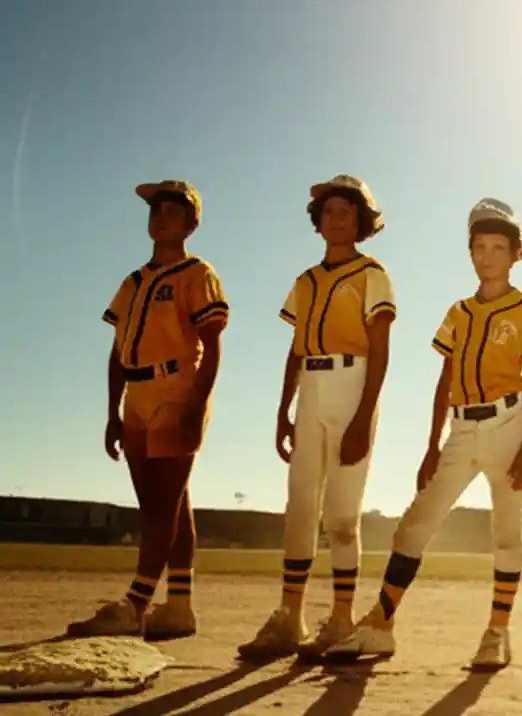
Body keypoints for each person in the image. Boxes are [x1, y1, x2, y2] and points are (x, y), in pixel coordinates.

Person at [326, 198, 522, 672]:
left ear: (516, 254)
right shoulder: (459, 312)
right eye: (479, 246)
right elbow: (444, 379)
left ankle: (497, 632)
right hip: (461, 428)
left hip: (510, 423)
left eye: (498, 247)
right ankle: (381, 624)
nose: (487, 255)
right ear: (469, 252)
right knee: (414, 525)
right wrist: (431, 446)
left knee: (506, 533)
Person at [238, 175, 396, 660]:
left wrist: (363, 417)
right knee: (301, 508)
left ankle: (342, 618)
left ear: (362, 220)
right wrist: (283, 410)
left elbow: (381, 351)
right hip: (310, 387)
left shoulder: (373, 273)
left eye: (346, 210)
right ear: (318, 221)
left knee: (343, 517)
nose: (336, 218)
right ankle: (291, 617)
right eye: (328, 211)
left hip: (353, 386)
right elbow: (294, 348)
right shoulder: (305, 280)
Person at [68, 180, 228, 640]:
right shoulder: (133, 281)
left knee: (162, 504)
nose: (160, 217)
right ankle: (178, 607)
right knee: (169, 504)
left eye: (172, 211)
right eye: (155, 210)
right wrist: (112, 412)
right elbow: (118, 350)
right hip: (136, 395)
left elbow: (212, 347)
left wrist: (196, 405)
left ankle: (135, 604)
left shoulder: (197, 273)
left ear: (191, 223)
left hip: (176, 387)